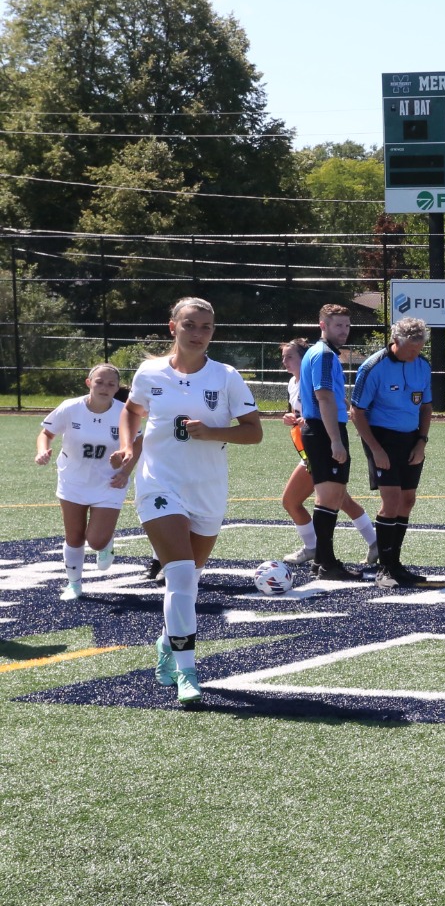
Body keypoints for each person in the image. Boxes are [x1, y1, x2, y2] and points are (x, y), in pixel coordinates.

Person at [108, 296, 263, 705]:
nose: (198, 333)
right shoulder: (150, 372)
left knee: (189, 582)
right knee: (177, 576)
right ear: (172, 326)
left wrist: (213, 432)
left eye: (206, 327)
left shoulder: (226, 376)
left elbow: (253, 431)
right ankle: (187, 671)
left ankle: (167, 641)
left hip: (207, 488)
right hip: (159, 483)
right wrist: (127, 447)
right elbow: (132, 411)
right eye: (190, 325)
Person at [350, 317, 436, 588]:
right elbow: (357, 412)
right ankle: (384, 569)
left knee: (407, 500)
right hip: (381, 438)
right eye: (411, 348)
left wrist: (421, 442)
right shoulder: (373, 367)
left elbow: (425, 406)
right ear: (396, 341)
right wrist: (376, 449)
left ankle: (396, 564)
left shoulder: (423, 365)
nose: (415, 354)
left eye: (420, 348)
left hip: (411, 438)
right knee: (391, 500)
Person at [278, 337, 374, 571]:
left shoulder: (314, 376)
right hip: (309, 448)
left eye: (290, 357)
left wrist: (321, 428)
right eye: (283, 357)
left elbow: (337, 402)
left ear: (304, 359)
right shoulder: (292, 383)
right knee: (341, 499)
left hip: (320, 445)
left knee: (292, 500)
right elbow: (299, 413)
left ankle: (313, 547)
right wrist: (293, 418)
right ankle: (375, 542)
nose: (285, 361)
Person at [36, 363, 129, 600]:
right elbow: (46, 433)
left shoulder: (124, 412)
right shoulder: (71, 407)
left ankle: (106, 543)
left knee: (96, 541)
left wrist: (125, 468)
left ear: (117, 388)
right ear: (89, 383)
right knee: (74, 536)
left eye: (111, 384)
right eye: (99, 382)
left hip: (109, 481)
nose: (104, 387)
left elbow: (136, 443)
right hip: (73, 479)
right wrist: (43, 451)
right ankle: (74, 584)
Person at [297, 303, 367, 580]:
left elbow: (331, 396)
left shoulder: (321, 353)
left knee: (333, 496)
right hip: (324, 430)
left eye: (347, 325)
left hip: (322, 428)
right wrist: (335, 441)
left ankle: (322, 560)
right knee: (329, 497)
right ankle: (326, 563)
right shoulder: (324, 355)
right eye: (338, 325)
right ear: (322, 325)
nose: (344, 330)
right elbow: (324, 397)